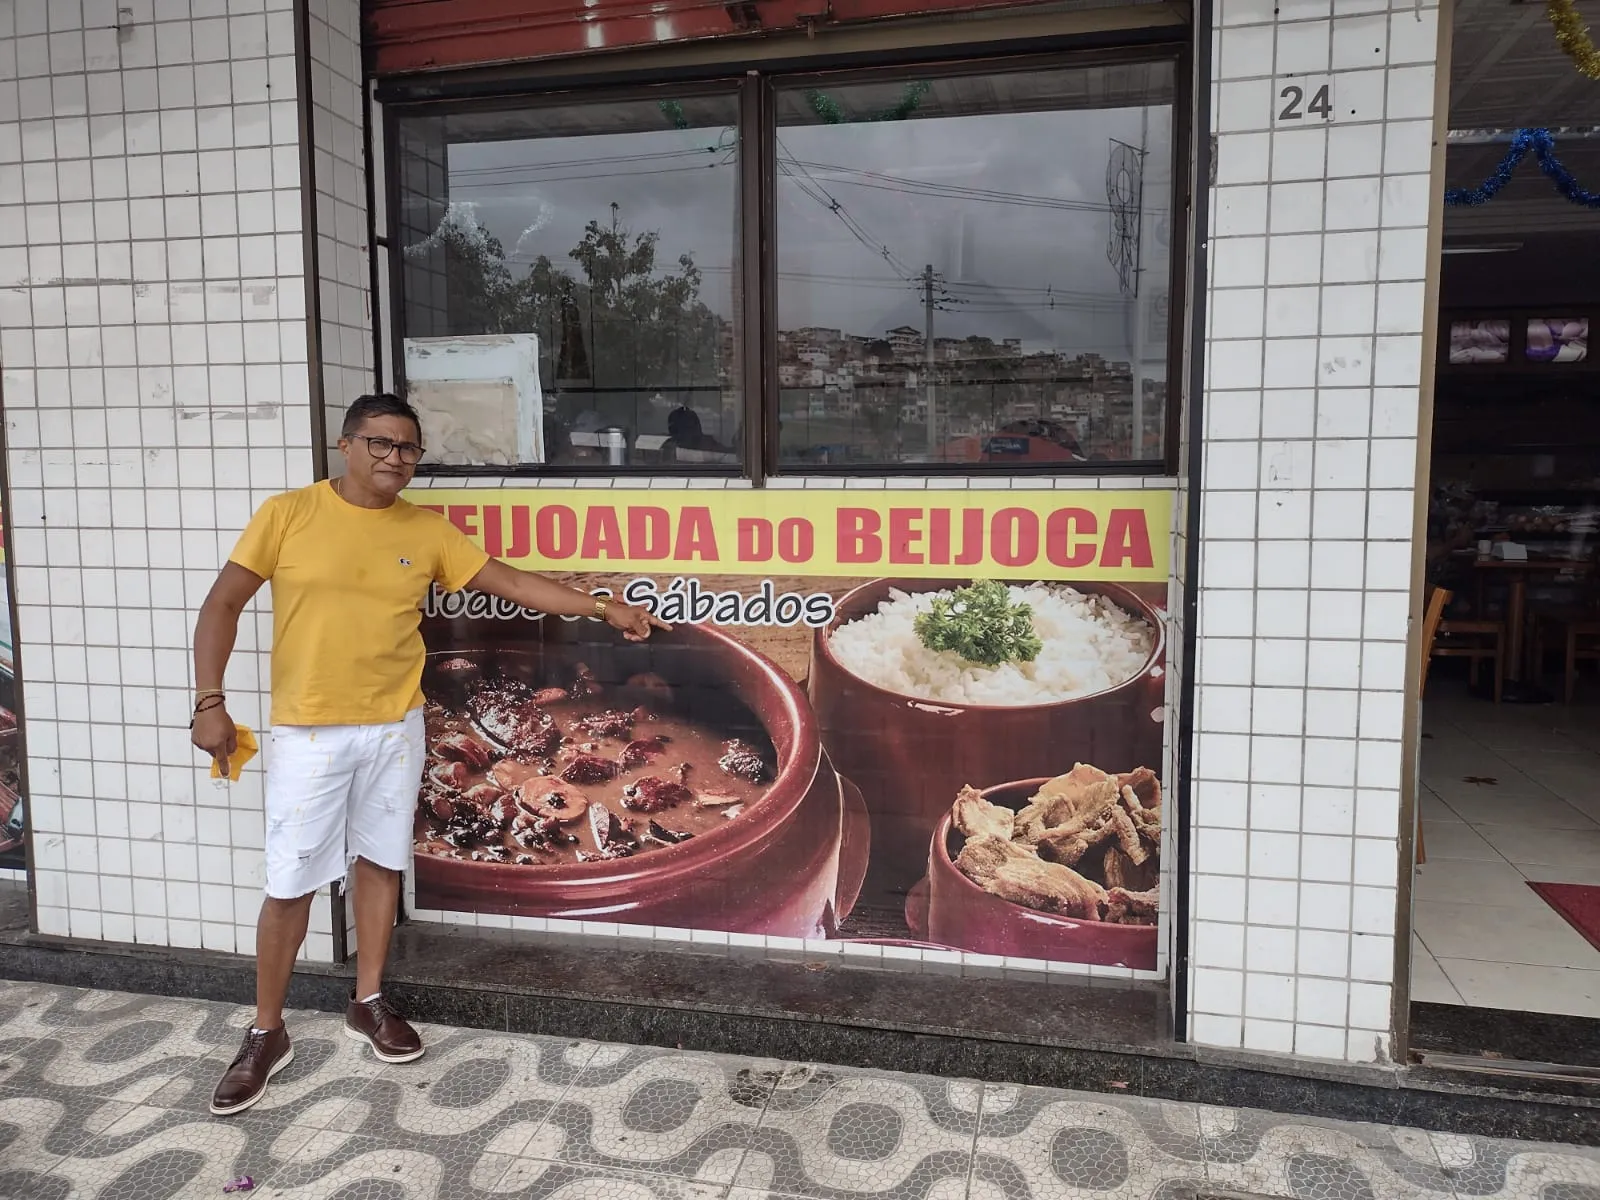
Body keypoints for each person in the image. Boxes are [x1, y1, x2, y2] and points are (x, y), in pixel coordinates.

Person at [190, 393, 667, 1117]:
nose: (395, 458)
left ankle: (368, 1001)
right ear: (346, 445)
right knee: (290, 881)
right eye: (379, 443)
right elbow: (222, 604)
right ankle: (266, 1031)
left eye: (408, 448)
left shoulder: (427, 531)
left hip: (396, 726)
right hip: (309, 731)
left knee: (382, 863)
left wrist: (605, 608)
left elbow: (513, 583)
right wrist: (209, 701)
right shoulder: (288, 514)